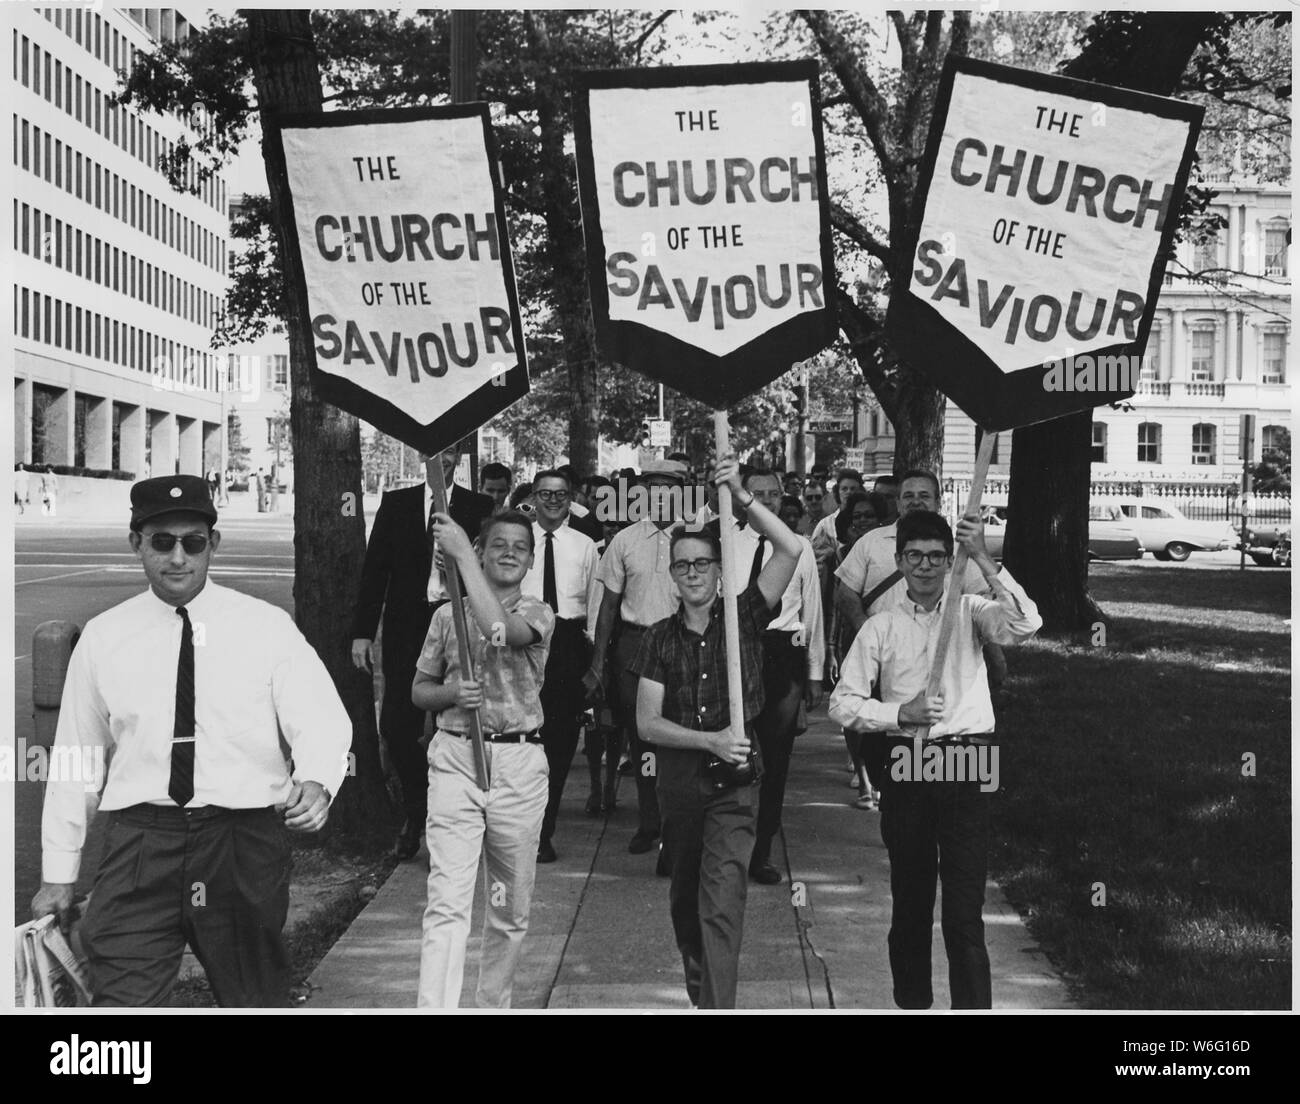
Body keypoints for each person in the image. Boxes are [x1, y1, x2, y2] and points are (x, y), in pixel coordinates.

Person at [32, 475, 350, 1006]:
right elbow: (75, 760)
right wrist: (59, 872)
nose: (178, 557)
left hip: (240, 842)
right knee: (122, 1000)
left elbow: (322, 718)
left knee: (255, 997)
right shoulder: (104, 638)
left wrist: (317, 781)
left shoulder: (266, 627)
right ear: (137, 543)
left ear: (213, 546)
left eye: (193, 542)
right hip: (140, 843)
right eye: (162, 542)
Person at [829, 511, 1041, 1009]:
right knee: (911, 902)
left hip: (969, 760)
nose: (925, 566)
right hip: (910, 759)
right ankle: (913, 1003)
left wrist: (987, 559)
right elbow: (843, 703)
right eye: (915, 556)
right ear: (899, 560)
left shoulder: (971, 610)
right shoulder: (881, 626)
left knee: (965, 908)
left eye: (936, 557)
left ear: (951, 562)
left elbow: (1026, 624)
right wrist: (899, 712)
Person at [631, 454, 802, 1008]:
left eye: (703, 563)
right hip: (680, 781)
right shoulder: (658, 637)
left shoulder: (745, 616)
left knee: (722, 905)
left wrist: (741, 495)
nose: (694, 573)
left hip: (735, 782)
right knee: (686, 904)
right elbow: (646, 723)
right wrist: (707, 740)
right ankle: (705, 995)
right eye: (683, 565)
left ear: (720, 569)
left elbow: (791, 549)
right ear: (674, 574)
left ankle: (717, 1006)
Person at [412, 508, 554, 1008]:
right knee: (447, 900)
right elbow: (418, 692)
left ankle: (494, 1005)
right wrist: (451, 692)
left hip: (518, 764)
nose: (510, 552)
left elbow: (500, 631)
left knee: (508, 907)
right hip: (456, 757)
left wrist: (458, 557)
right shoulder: (446, 615)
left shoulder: (538, 612)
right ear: (480, 550)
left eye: (520, 545)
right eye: (497, 544)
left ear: (531, 559)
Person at [350, 444, 494, 860]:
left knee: (463, 722)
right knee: (397, 726)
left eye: (451, 452)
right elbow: (375, 568)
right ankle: (419, 809)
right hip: (407, 628)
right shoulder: (396, 504)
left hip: (460, 624)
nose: (443, 459)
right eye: (436, 452)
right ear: (422, 456)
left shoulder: (478, 504)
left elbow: (488, 566)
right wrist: (363, 631)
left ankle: (464, 816)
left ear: (459, 460)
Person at [586, 458, 690, 861]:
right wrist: (598, 663)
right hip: (635, 645)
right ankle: (650, 823)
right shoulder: (624, 541)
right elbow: (608, 608)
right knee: (642, 737)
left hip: (682, 645)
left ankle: (675, 826)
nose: (660, 494)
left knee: (679, 738)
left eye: (669, 486)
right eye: (653, 486)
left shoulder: (695, 537)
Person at [728, 470, 824, 886]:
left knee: (775, 757)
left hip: (782, 652)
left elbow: (812, 612)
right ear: (742, 497)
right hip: (733, 649)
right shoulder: (724, 541)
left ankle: (762, 850)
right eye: (756, 493)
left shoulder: (799, 546)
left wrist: (814, 674)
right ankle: (726, 845)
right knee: (729, 751)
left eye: (773, 494)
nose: (765, 500)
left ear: (783, 497)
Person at [519, 469, 600, 862]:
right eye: (545, 494)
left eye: (561, 494)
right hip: (523, 638)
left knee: (560, 740)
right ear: (533, 498)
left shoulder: (585, 545)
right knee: (521, 734)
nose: (553, 501)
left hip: (566, 642)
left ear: (572, 499)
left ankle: (543, 832)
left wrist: (593, 660)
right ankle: (515, 827)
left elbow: (595, 604)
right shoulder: (519, 540)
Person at [828, 491, 888, 808]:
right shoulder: (842, 554)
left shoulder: (891, 549)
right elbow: (834, 605)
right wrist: (831, 648)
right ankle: (864, 778)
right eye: (857, 517)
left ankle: (883, 774)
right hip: (851, 637)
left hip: (884, 641)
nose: (862, 521)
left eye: (868, 515)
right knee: (852, 708)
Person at [810, 468, 864, 575]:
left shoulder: (867, 522)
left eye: (853, 489)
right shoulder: (825, 525)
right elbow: (815, 560)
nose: (849, 492)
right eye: (844, 489)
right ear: (837, 492)